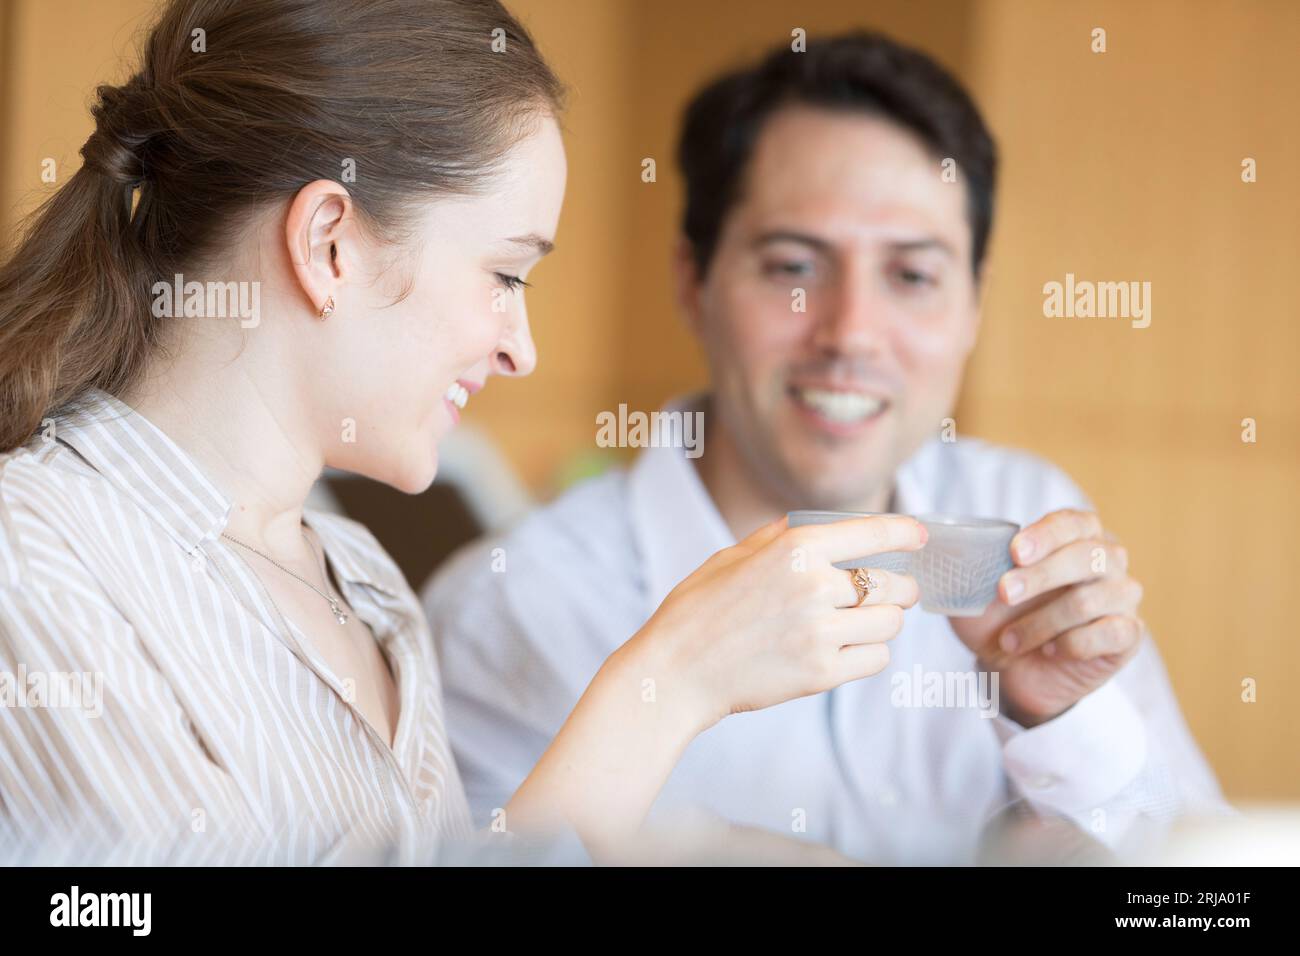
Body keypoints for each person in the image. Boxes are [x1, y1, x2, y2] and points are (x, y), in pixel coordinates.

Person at [0, 0, 927, 865]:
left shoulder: (368, 589)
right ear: (330, 242)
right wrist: (668, 685)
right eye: (507, 275)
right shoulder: (33, 561)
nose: (521, 350)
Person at [426, 32, 1232, 865]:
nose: (850, 333)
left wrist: (1061, 723)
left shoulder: (1030, 525)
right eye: (793, 267)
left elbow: (1200, 904)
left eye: (912, 276)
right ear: (691, 282)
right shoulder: (513, 609)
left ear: (973, 309)